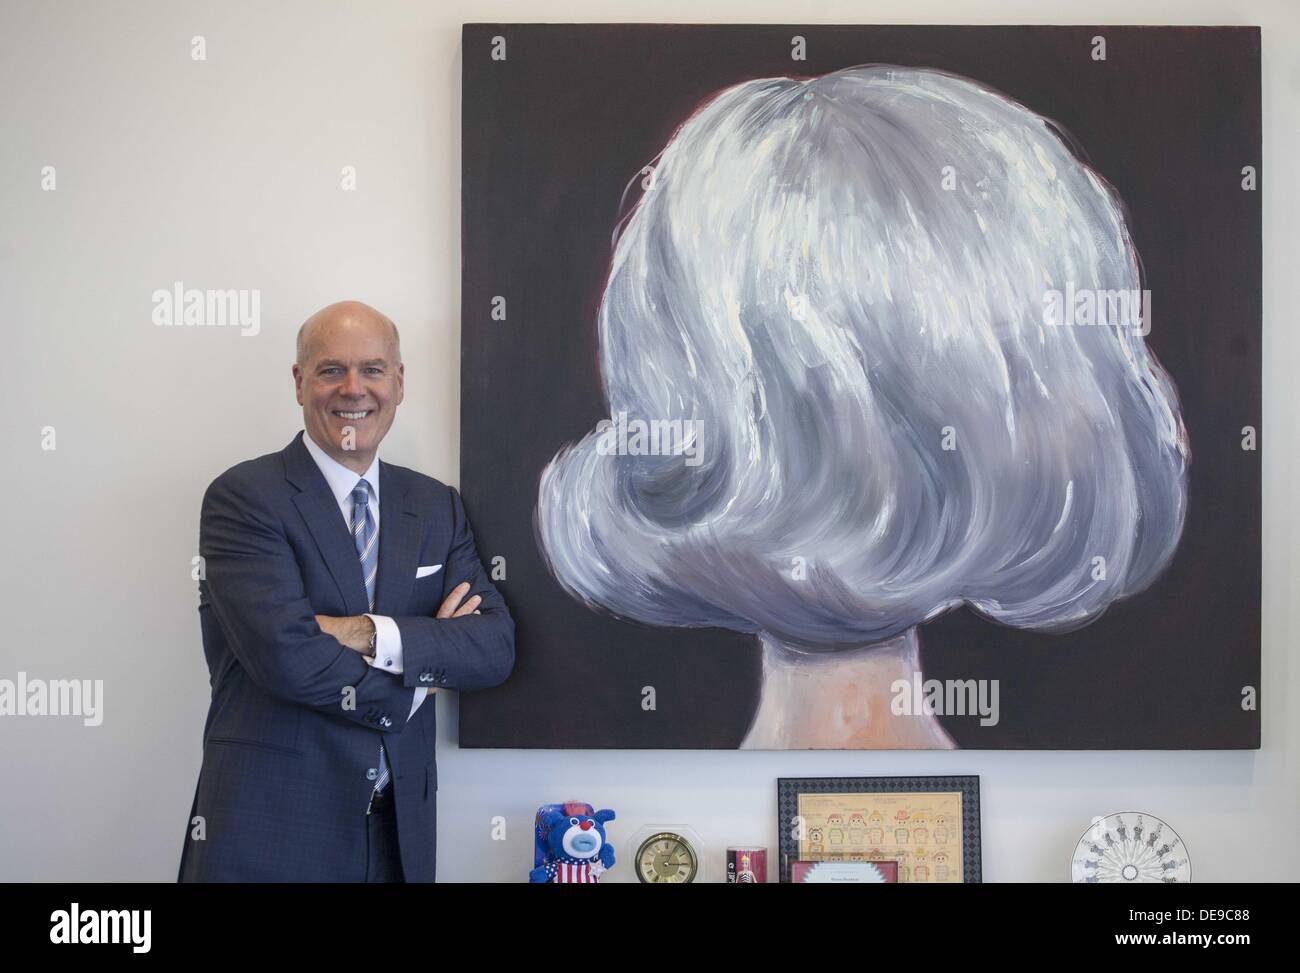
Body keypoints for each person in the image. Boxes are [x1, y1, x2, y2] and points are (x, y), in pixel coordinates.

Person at [178, 300, 514, 881]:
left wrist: (360, 632)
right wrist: (415, 683)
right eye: (332, 369)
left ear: (400, 383)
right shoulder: (245, 498)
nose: (353, 388)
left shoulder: (436, 506)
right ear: (299, 381)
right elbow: (287, 659)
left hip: (397, 834)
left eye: (373, 369)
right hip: (271, 829)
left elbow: (492, 647)